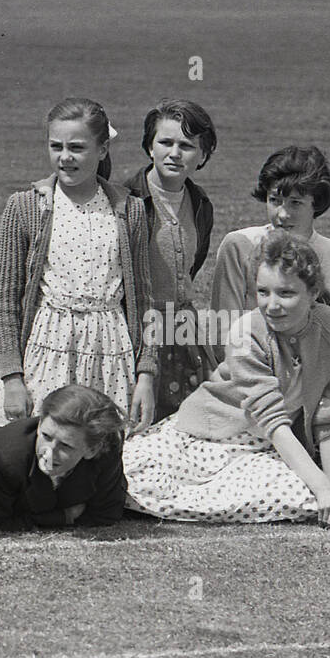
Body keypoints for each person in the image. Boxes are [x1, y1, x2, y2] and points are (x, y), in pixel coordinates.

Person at [124, 232, 330, 529]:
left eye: (285, 293)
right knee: (135, 472)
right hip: (210, 435)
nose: (271, 305)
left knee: (299, 496)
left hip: (266, 448)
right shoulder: (247, 332)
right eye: (262, 292)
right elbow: (272, 419)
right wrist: (323, 489)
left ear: (312, 292)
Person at [0, 97, 156, 431]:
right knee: (40, 447)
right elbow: (4, 301)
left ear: (103, 149)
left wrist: (147, 375)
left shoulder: (130, 210)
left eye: (77, 147)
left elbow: (145, 301)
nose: (65, 157)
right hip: (46, 351)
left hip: (111, 355)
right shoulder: (24, 207)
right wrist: (12, 378)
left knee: (102, 454)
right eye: (56, 146)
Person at [121, 98, 219, 419]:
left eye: (187, 145)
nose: (174, 153)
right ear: (150, 147)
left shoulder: (201, 203)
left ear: (202, 155)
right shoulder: (127, 198)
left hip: (183, 331)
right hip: (137, 333)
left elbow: (192, 265)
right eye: (165, 142)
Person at [210, 145, 330, 317]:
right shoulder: (239, 245)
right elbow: (223, 327)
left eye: (296, 203)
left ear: (317, 203)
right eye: (275, 200)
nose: (283, 214)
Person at [0, 384, 126, 531]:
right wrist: (63, 516)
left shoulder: (107, 449)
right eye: (46, 436)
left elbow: (107, 514)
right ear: (40, 424)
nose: (48, 452)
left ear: (92, 450)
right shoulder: (7, 456)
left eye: (66, 445)